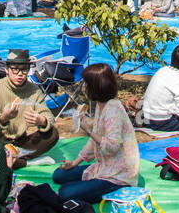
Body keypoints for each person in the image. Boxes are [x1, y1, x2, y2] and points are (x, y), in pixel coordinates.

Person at [54, 64, 138, 204]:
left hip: (119, 176)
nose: (83, 87)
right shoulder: (101, 104)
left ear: (96, 87)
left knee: (64, 193)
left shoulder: (113, 110)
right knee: (59, 175)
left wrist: (89, 131)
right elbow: (94, 142)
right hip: (104, 166)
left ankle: (116, 190)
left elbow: (112, 147)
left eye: (86, 83)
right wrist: (75, 163)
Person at [0, 49, 58, 159]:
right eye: (15, 70)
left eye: (24, 70)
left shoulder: (33, 90)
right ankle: (17, 160)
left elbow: (48, 116)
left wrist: (42, 121)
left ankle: (13, 159)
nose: (20, 74)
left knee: (52, 134)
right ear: (6, 69)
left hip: (20, 143)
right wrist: (3, 118)